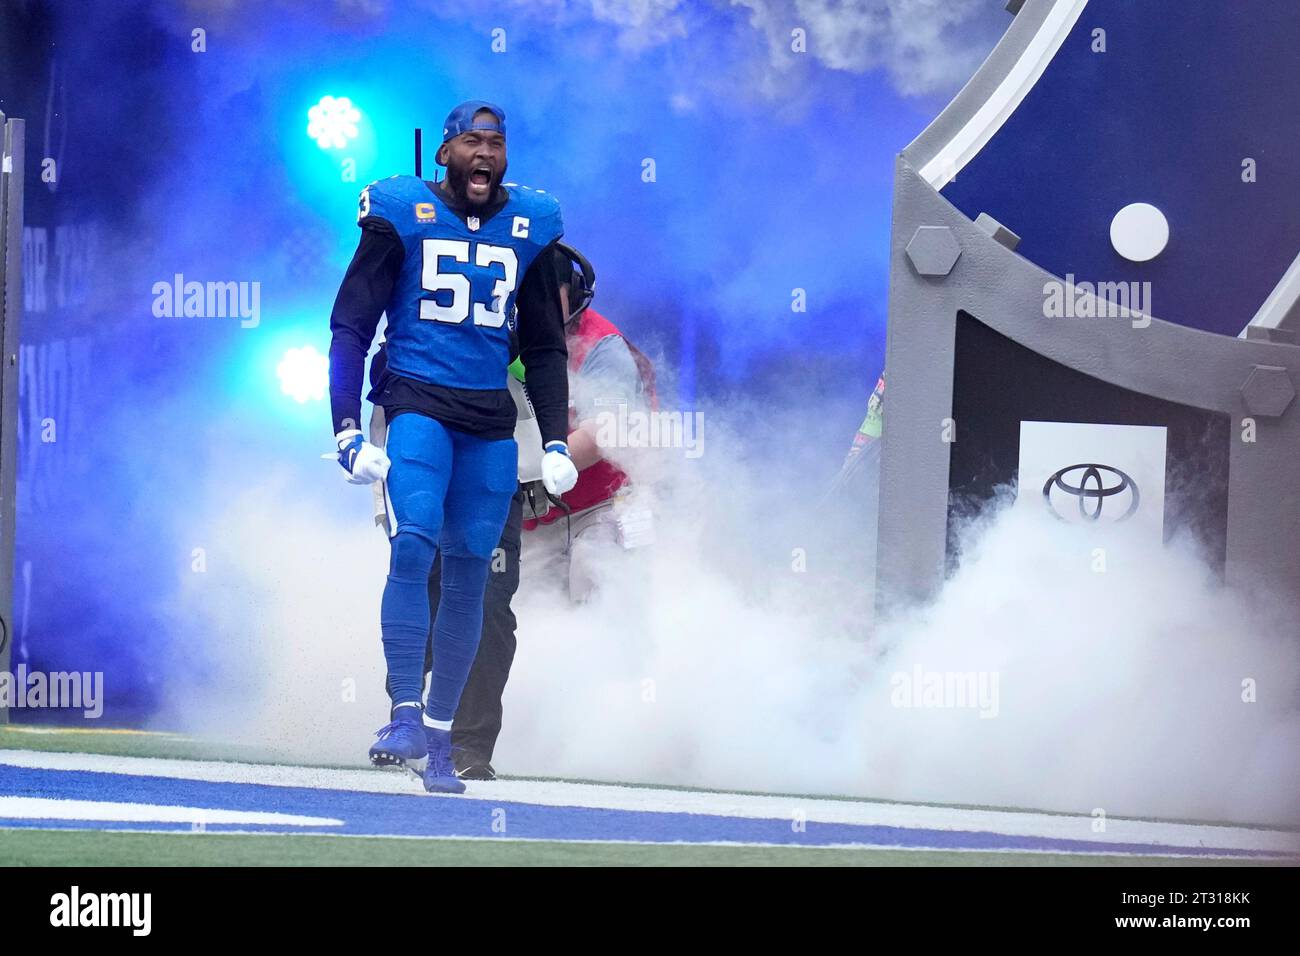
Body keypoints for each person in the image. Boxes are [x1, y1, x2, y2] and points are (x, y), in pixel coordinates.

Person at [326, 100, 578, 794]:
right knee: (415, 545)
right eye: (472, 140)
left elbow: (546, 344)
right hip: (416, 399)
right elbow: (350, 324)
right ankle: (403, 712)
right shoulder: (403, 209)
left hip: (489, 417)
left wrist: (555, 439)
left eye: (497, 142)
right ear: (443, 152)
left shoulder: (529, 224)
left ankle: (440, 741)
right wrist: (345, 428)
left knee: (473, 572)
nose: (486, 153)